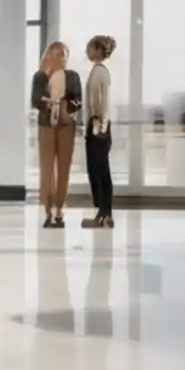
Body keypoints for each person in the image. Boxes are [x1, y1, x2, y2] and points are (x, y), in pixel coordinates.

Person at [31, 41, 82, 228]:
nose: (61, 58)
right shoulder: (40, 77)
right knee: (46, 168)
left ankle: (60, 208)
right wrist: (51, 103)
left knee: (64, 168)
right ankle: (47, 209)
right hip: (46, 125)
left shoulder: (73, 76)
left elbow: (78, 100)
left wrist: (64, 106)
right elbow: (35, 100)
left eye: (63, 54)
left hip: (66, 124)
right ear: (48, 56)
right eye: (57, 54)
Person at [82, 35, 117, 228]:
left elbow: (99, 103)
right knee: (99, 170)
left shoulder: (99, 73)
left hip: (98, 125)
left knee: (99, 170)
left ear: (97, 49)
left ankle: (105, 212)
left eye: (89, 47)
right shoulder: (99, 71)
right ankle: (103, 212)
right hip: (99, 124)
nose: (87, 51)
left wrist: (98, 127)